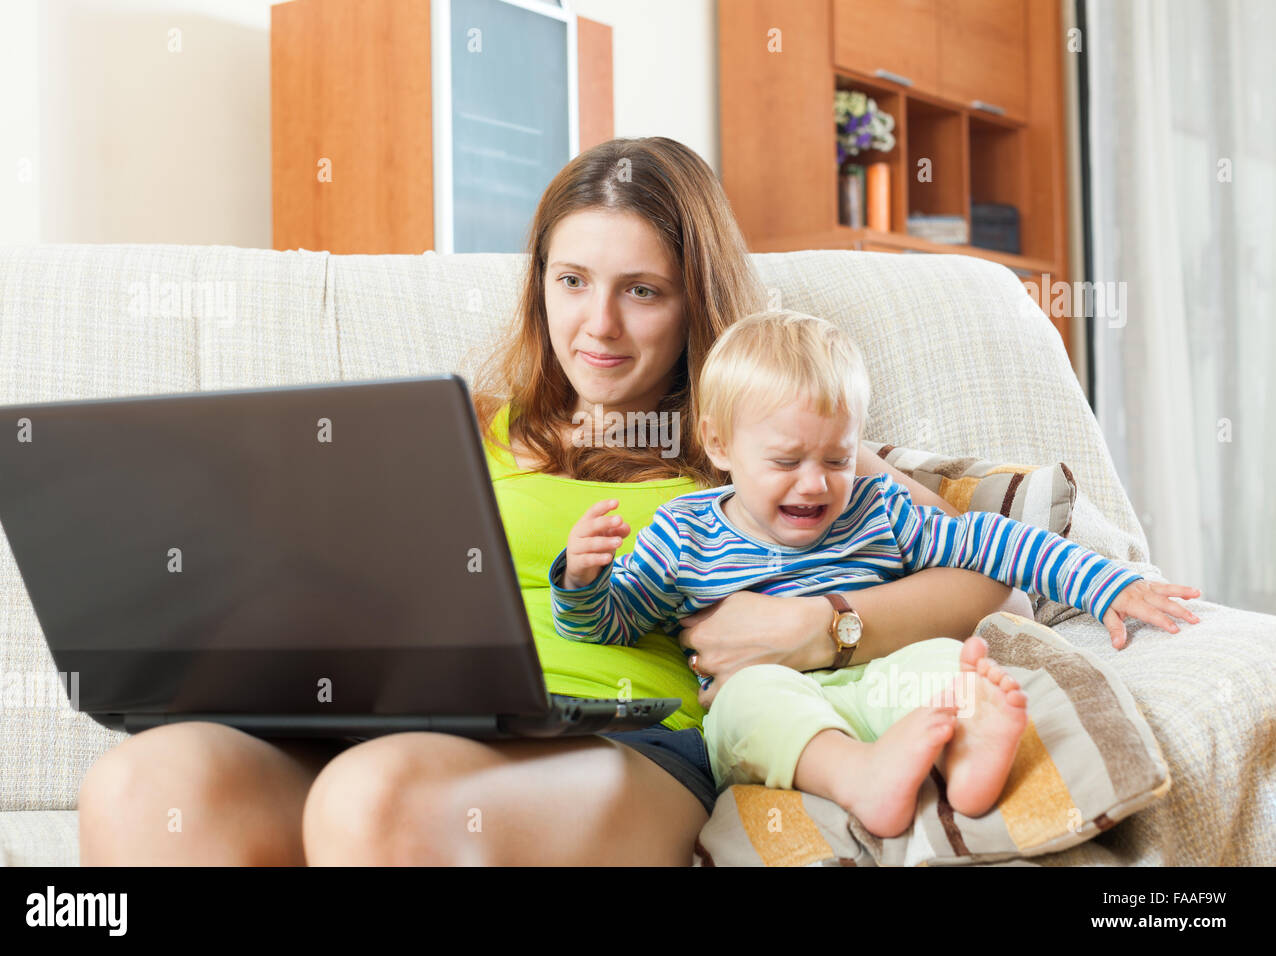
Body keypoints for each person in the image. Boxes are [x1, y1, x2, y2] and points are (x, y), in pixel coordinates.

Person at [79, 136, 1046, 866]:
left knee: (375, 801)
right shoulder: (462, 425)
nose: (599, 326)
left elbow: (983, 570)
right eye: (573, 280)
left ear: (697, 302)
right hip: (401, 722)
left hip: (623, 736)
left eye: (643, 292)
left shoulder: (756, 437)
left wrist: (821, 626)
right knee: (141, 783)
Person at [550, 310, 1202, 836]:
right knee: (743, 706)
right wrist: (582, 582)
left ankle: (968, 755)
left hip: (881, 678)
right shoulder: (683, 533)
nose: (815, 483)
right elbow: (613, 622)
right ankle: (861, 777)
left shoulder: (879, 509)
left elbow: (994, 544)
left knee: (950, 663)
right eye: (786, 460)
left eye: (837, 458)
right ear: (720, 446)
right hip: (778, 702)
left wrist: (1108, 582)